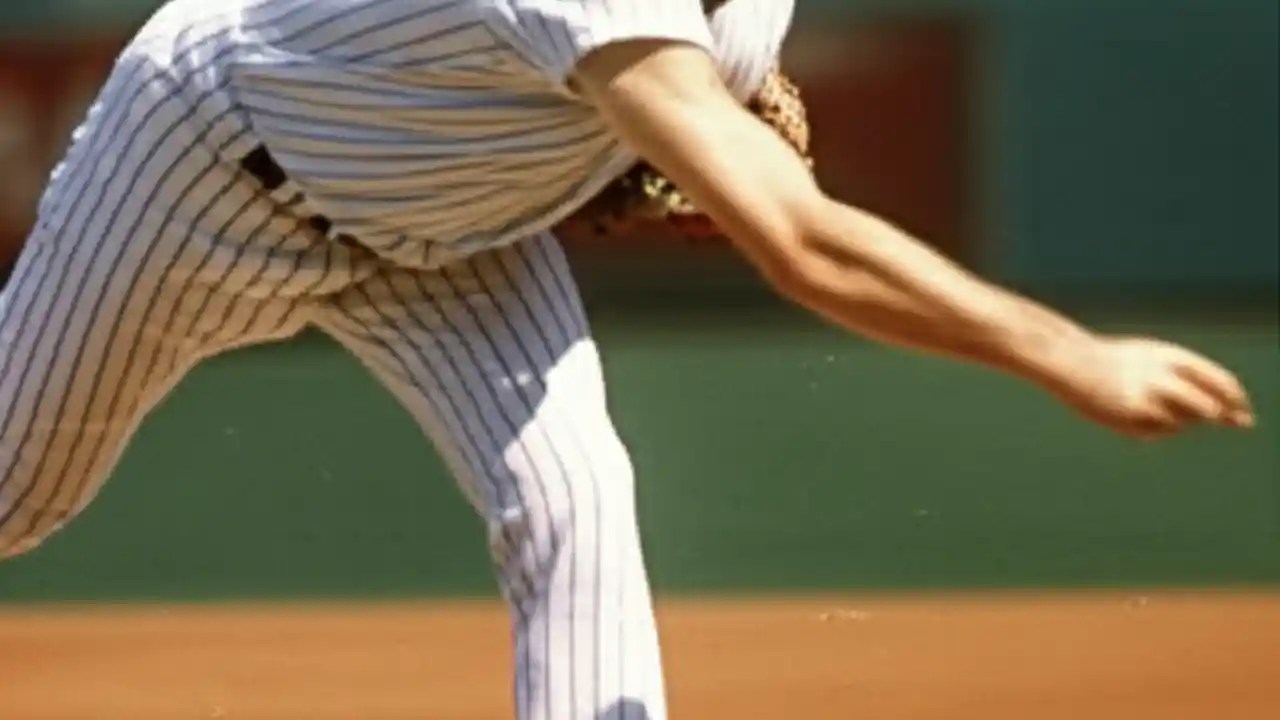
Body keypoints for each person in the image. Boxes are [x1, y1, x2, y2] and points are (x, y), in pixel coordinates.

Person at [0, 1, 1254, 718]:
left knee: (573, 497)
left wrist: (661, 151)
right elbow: (804, 247)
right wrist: (1067, 354)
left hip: (449, 235)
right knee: (16, 499)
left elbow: (724, 138)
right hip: (203, 162)